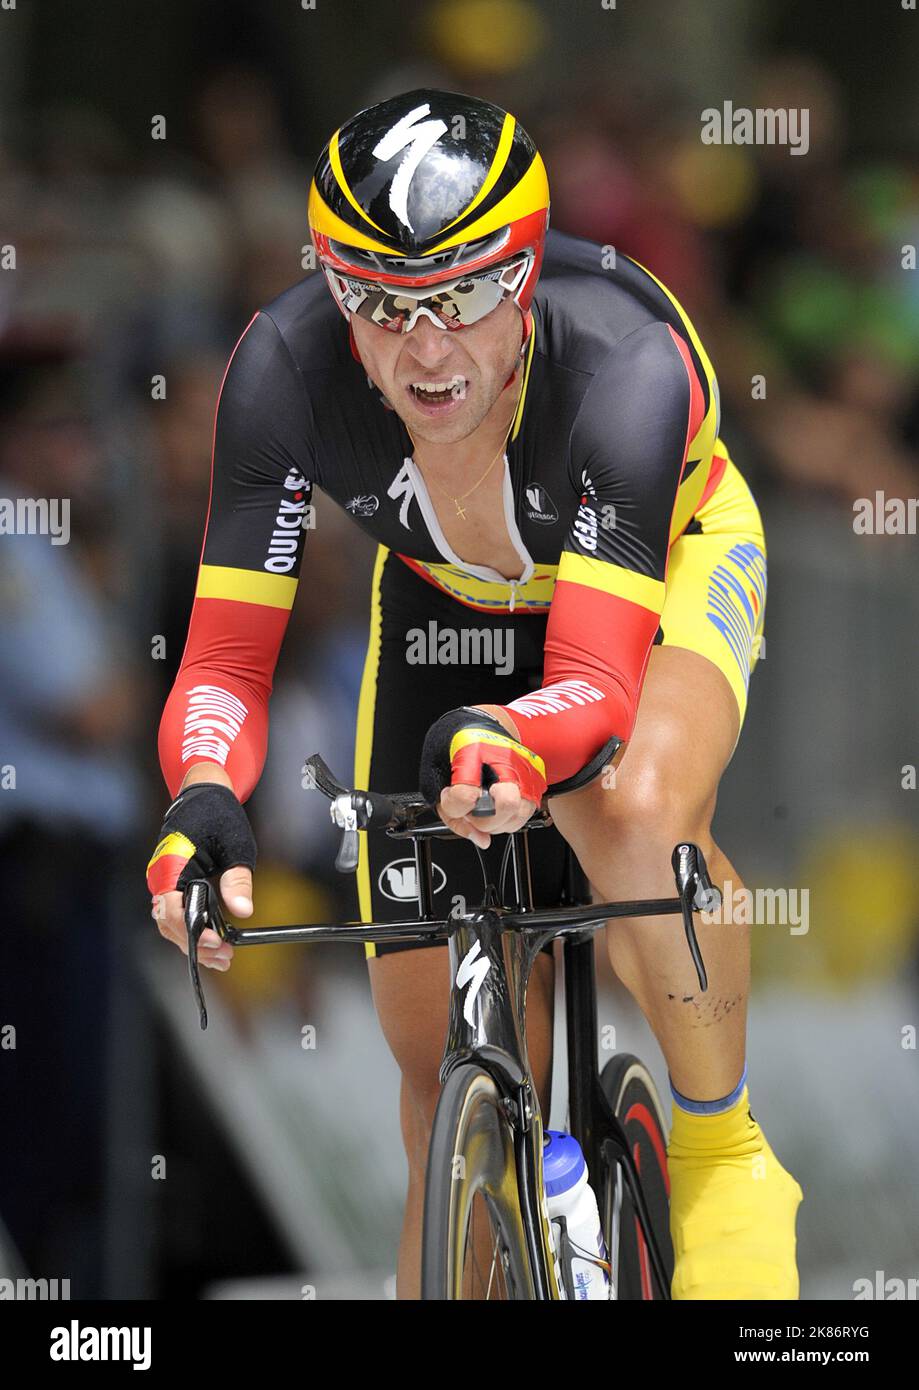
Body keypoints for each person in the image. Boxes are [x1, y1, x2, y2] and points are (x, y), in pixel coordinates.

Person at [146, 88, 802, 1300]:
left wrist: (519, 738)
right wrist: (201, 804)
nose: (424, 347)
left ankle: (722, 1156)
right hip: (448, 608)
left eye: (462, 292)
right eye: (380, 303)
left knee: (627, 809)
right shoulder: (284, 370)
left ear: (528, 268)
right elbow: (226, 664)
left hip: (659, 572)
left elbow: (596, 685)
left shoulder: (619, 357)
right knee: (430, 1053)